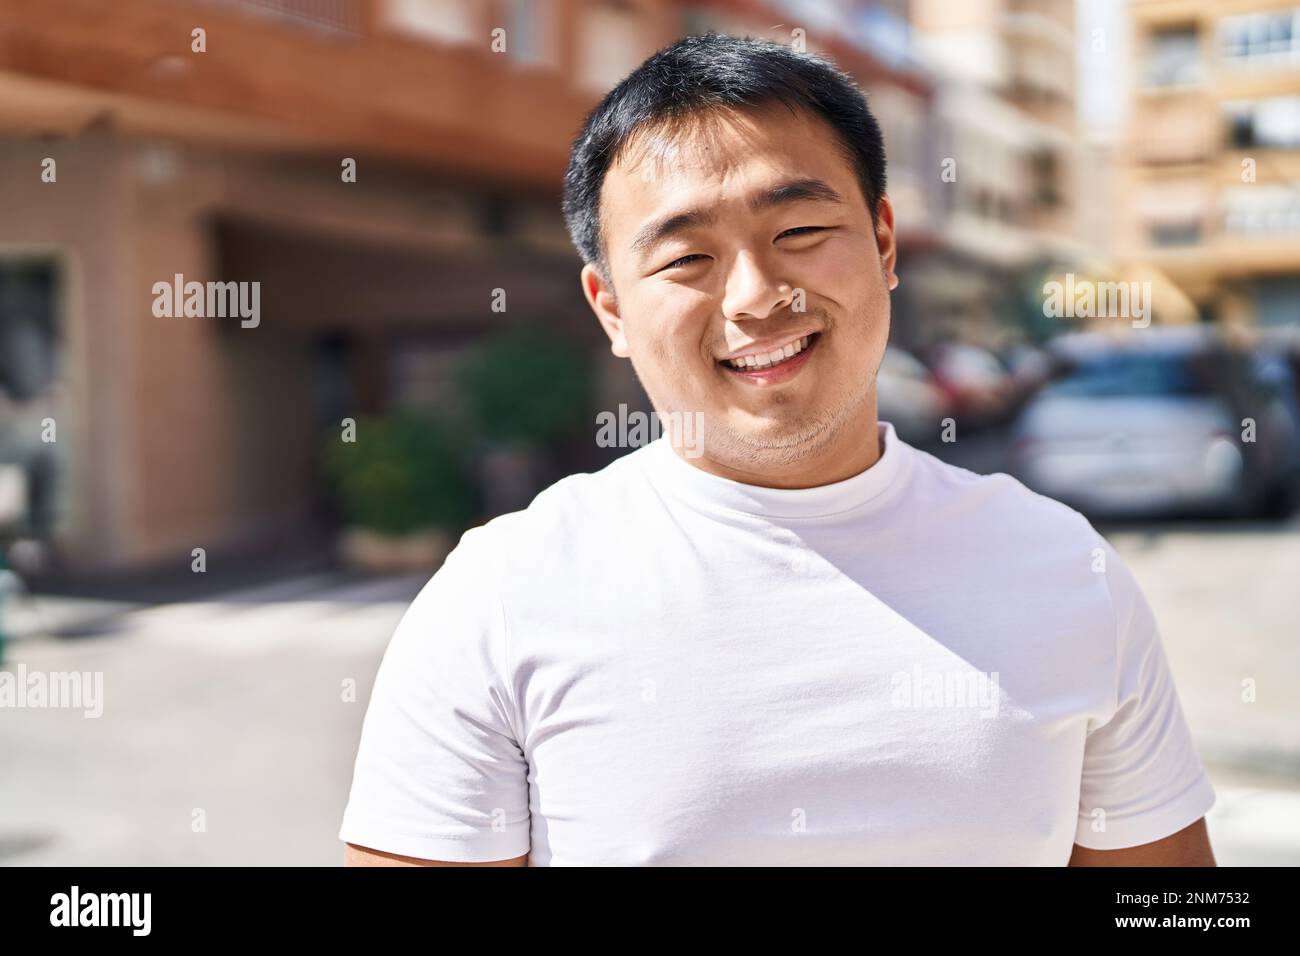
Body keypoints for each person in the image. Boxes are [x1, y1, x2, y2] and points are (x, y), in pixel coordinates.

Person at [339, 33, 1216, 866]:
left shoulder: (1062, 567)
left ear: (882, 242)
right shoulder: (501, 595)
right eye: (687, 259)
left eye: (797, 233)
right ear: (610, 308)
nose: (756, 298)